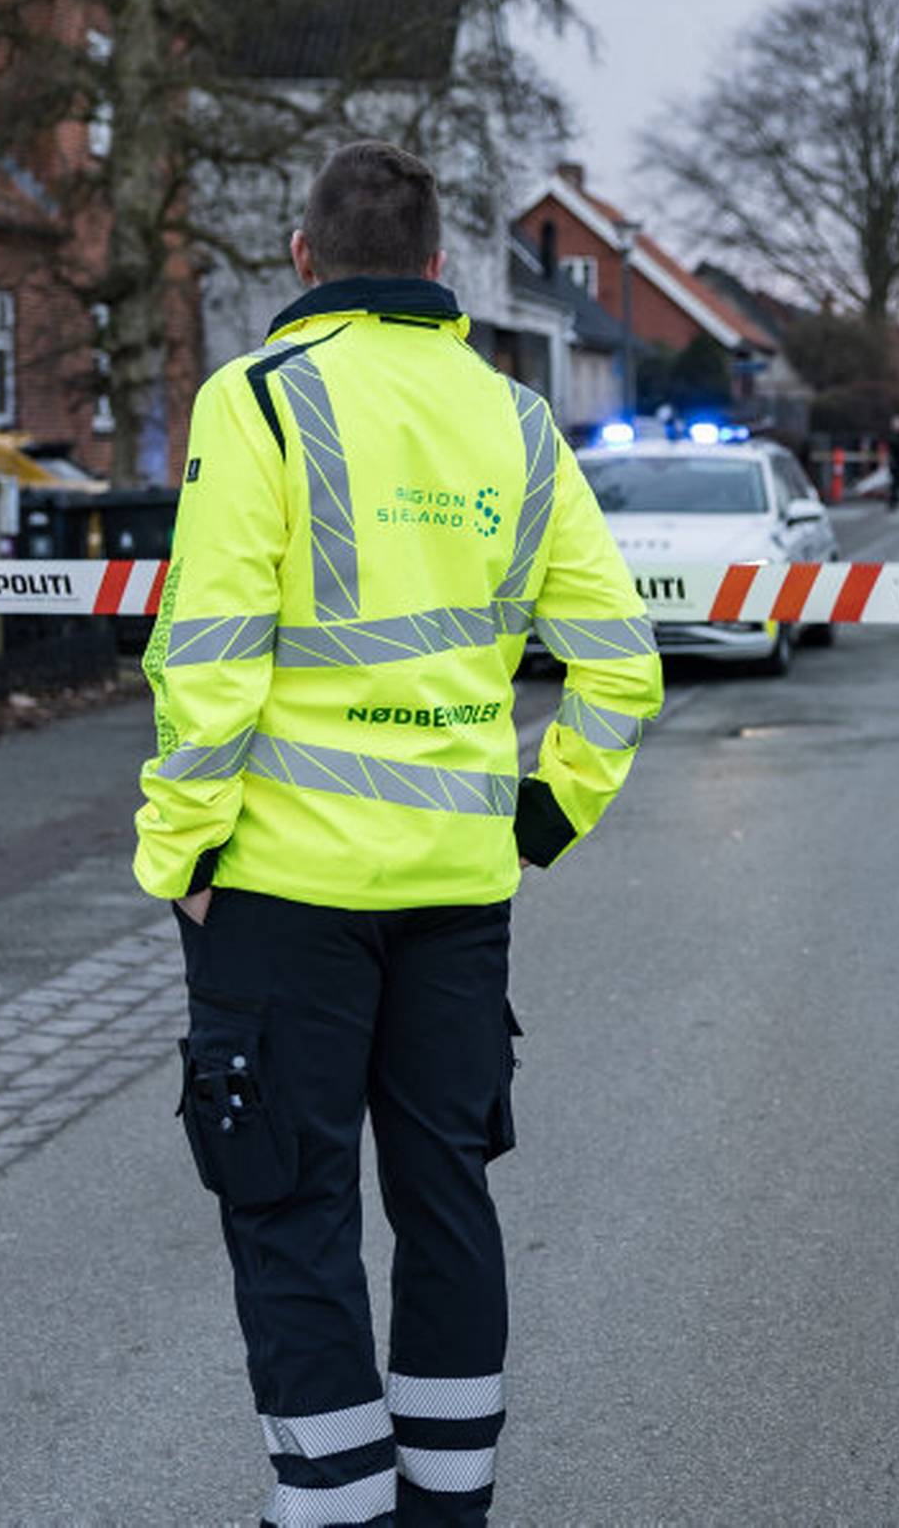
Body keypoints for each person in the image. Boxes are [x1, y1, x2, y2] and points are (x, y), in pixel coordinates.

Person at [134, 141, 663, 1527]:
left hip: (280, 890)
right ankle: (446, 1508)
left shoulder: (254, 402)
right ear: (441, 270)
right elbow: (623, 665)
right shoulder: (521, 421)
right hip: (457, 894)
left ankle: (334, 1513)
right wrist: (539, 820)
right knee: (445, 1202)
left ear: (302, 258)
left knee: (292, 1208)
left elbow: (211, 648)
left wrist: (181, 848)